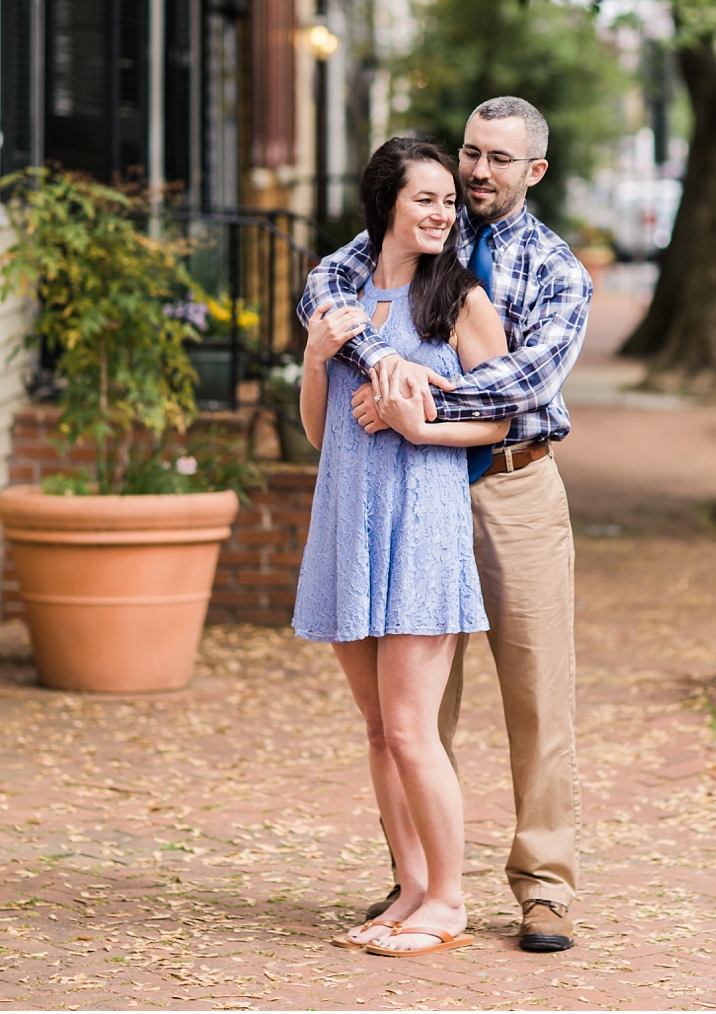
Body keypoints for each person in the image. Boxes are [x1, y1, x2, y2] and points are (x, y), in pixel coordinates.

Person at [298, 96, 592, 955]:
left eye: (498, 159)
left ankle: (543, 886)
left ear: (533, 170)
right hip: (405, 493)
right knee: (417, 710)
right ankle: (423, 876)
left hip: (509, 486)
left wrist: (413, 404)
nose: (475, 173)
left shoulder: (556, 271)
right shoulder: (427, 226)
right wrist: (375, 356)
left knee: (536, 694)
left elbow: (520, 388)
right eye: (470, 153)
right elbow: (327, 285)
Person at [293, 137, 511, 957]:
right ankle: (410, 891)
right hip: (349, 521)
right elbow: (320, 431)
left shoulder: (458, 300)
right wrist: (317, 354)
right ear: (387, 201)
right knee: (381, 730)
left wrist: (422, 423)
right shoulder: (343, 303)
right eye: (427, 198)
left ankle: (449, 899)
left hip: (421, 525)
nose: (443, 213)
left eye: (449, 202)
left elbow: (503, 416)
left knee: (414, 728)